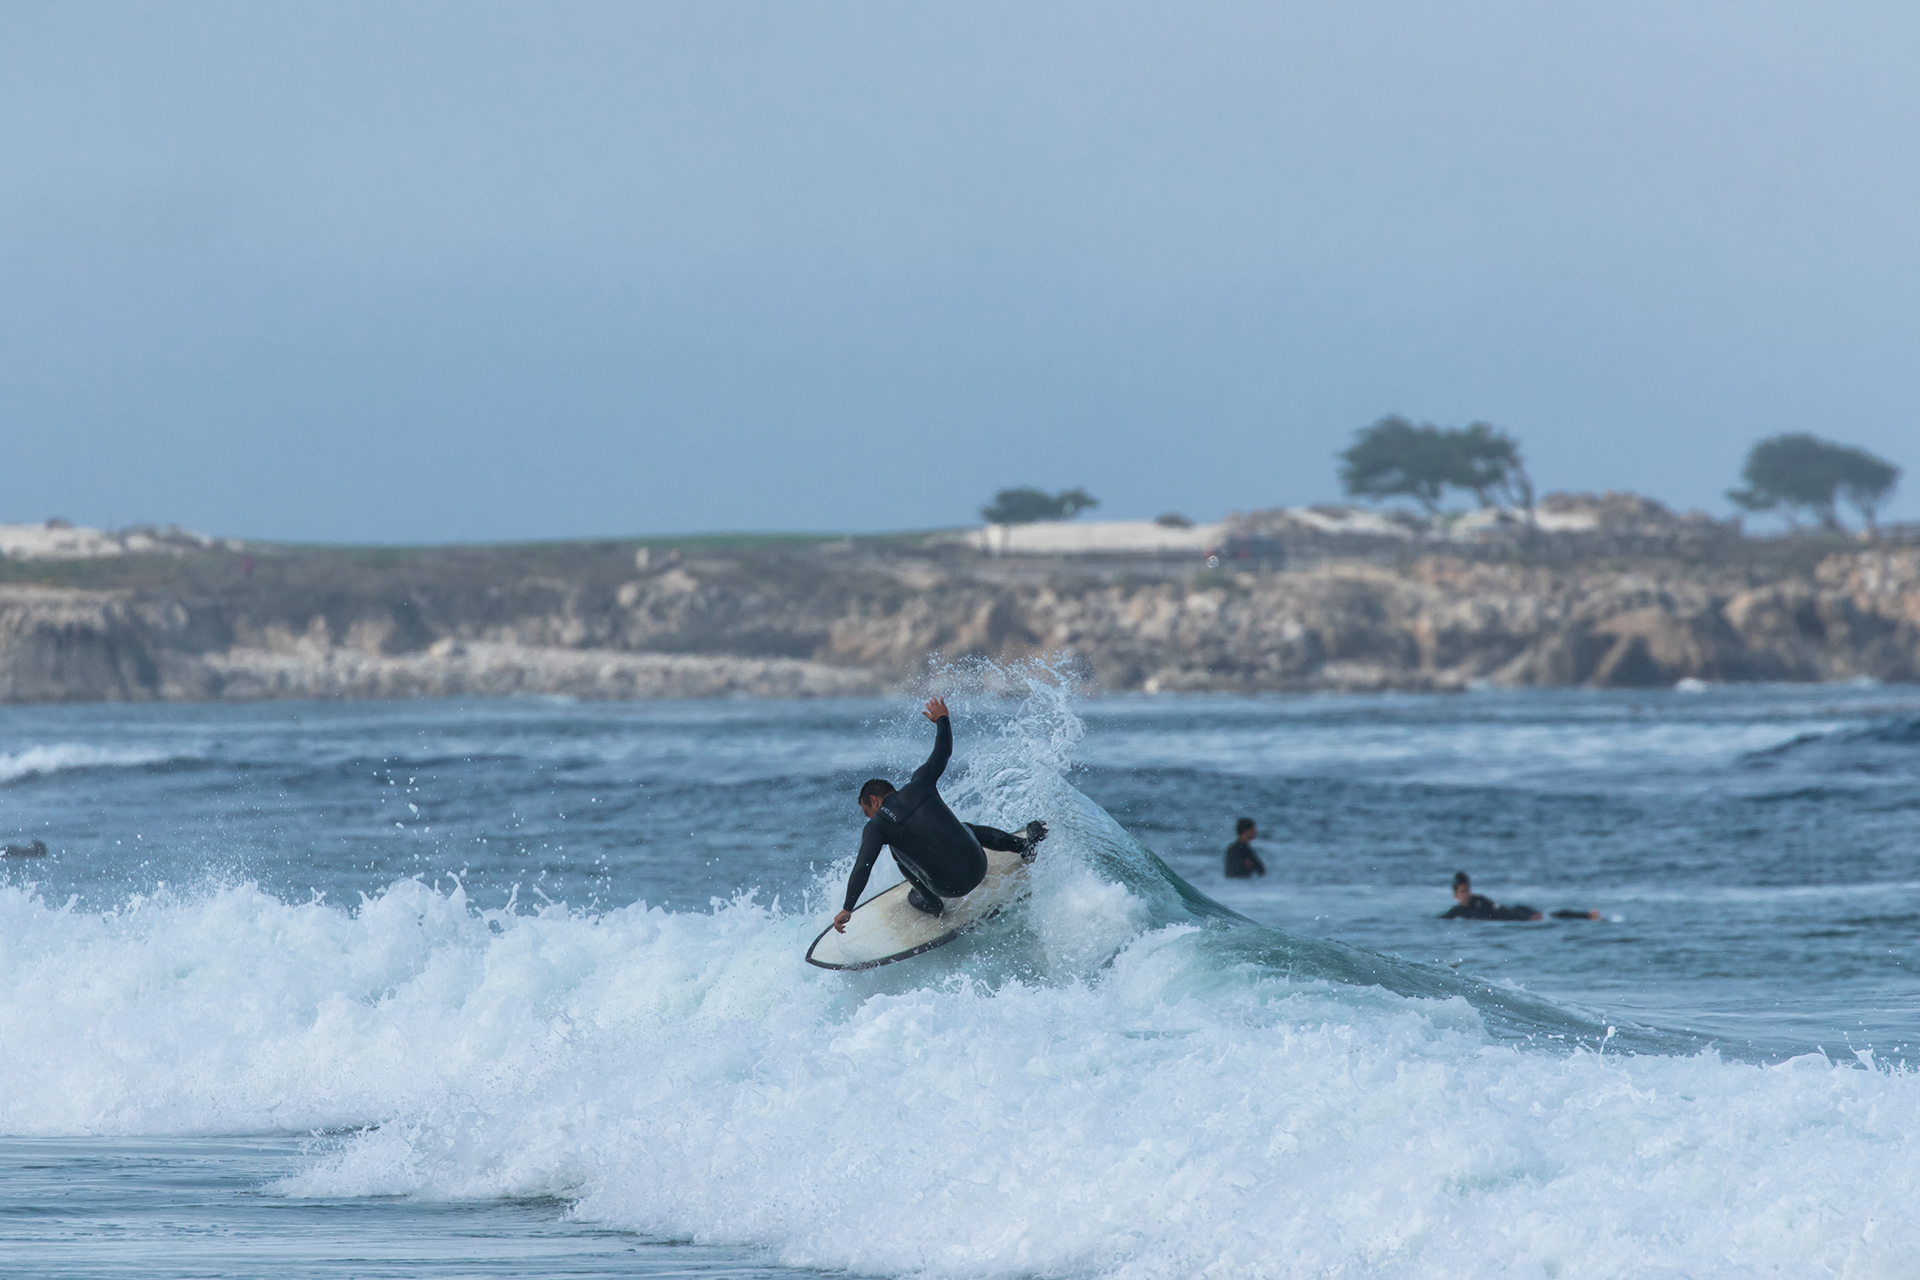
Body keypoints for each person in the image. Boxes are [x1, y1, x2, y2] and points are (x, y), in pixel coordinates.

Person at [831, 697, 1048, 933]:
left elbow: (863, 865)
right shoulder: (921, 782)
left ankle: (932, 903)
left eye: (869, 813)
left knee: (896, 851)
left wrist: (847, 907)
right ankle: (1025, 847)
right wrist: (943, 719)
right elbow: (943, 751)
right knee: (967, 828)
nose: (873, 818)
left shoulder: (878, 825)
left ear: (873, 800)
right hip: (978, 865)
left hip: (948, 888)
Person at [1441, 871, 1598, 921]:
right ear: (1455, 895)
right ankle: (1589, 916)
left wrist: (1526, 918)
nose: (1466, 894)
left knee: (1552, 915)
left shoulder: (1479, 900)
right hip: (1514, 917)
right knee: (1551, 917)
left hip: (1515, 913)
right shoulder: (1457, 911)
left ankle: (1587, 915)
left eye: (1467, 890)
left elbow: (1500, 909)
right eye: (1462, 892)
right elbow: (1442, 918)